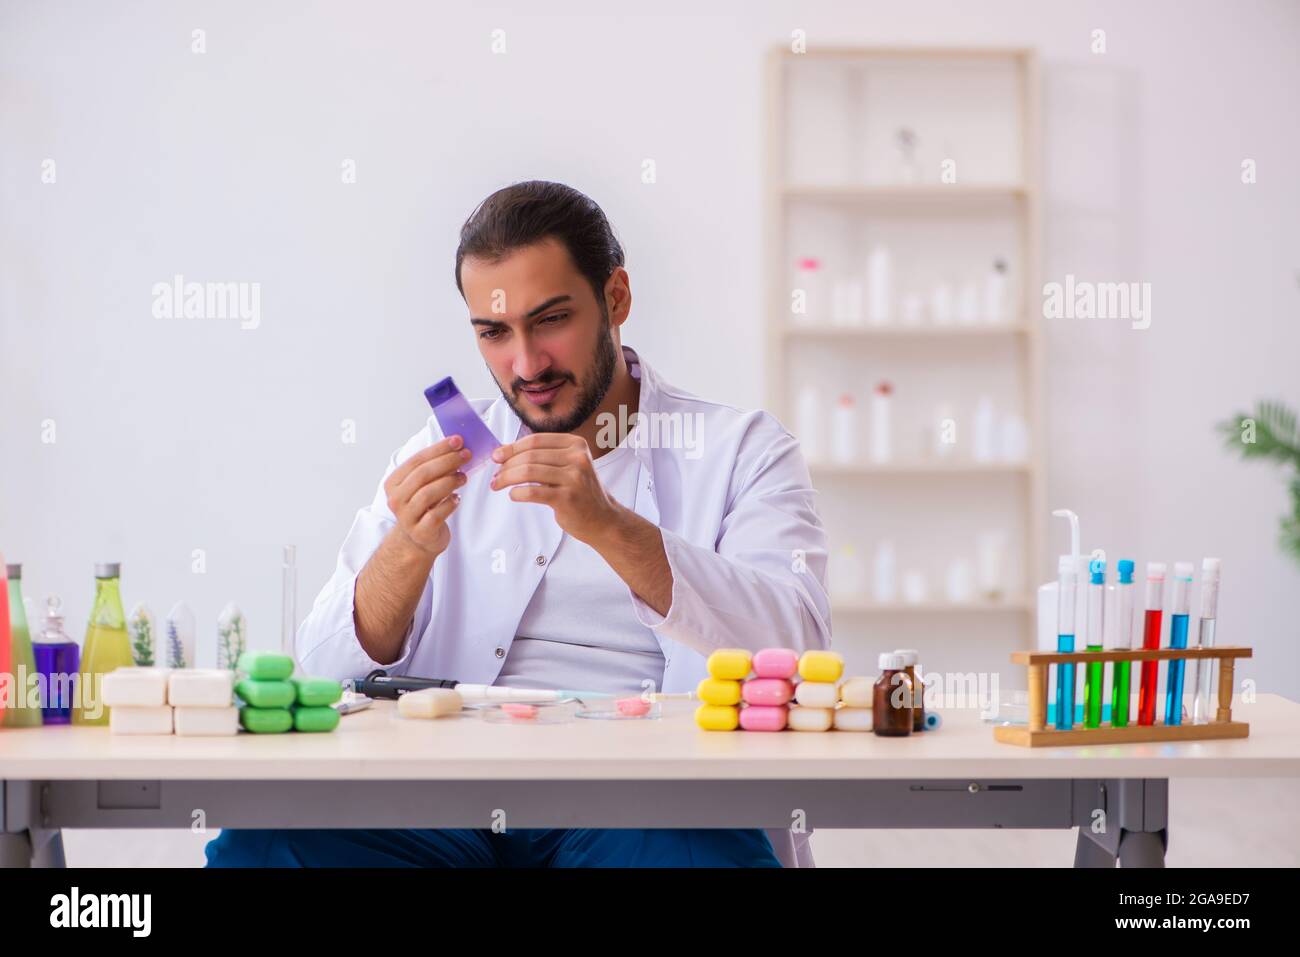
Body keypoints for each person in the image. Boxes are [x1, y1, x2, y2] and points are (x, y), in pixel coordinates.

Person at [206, 181, 831, 868]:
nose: (526, 364)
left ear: (615, 298)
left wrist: (610, 526)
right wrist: (408, 548)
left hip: (638, 797)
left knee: (697, 855)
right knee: (264, 844)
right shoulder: (444, 447)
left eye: (551, 320)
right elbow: (323, 669)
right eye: (495, 333)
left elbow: (793, 642)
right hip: (443, 796)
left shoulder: (740, 448)